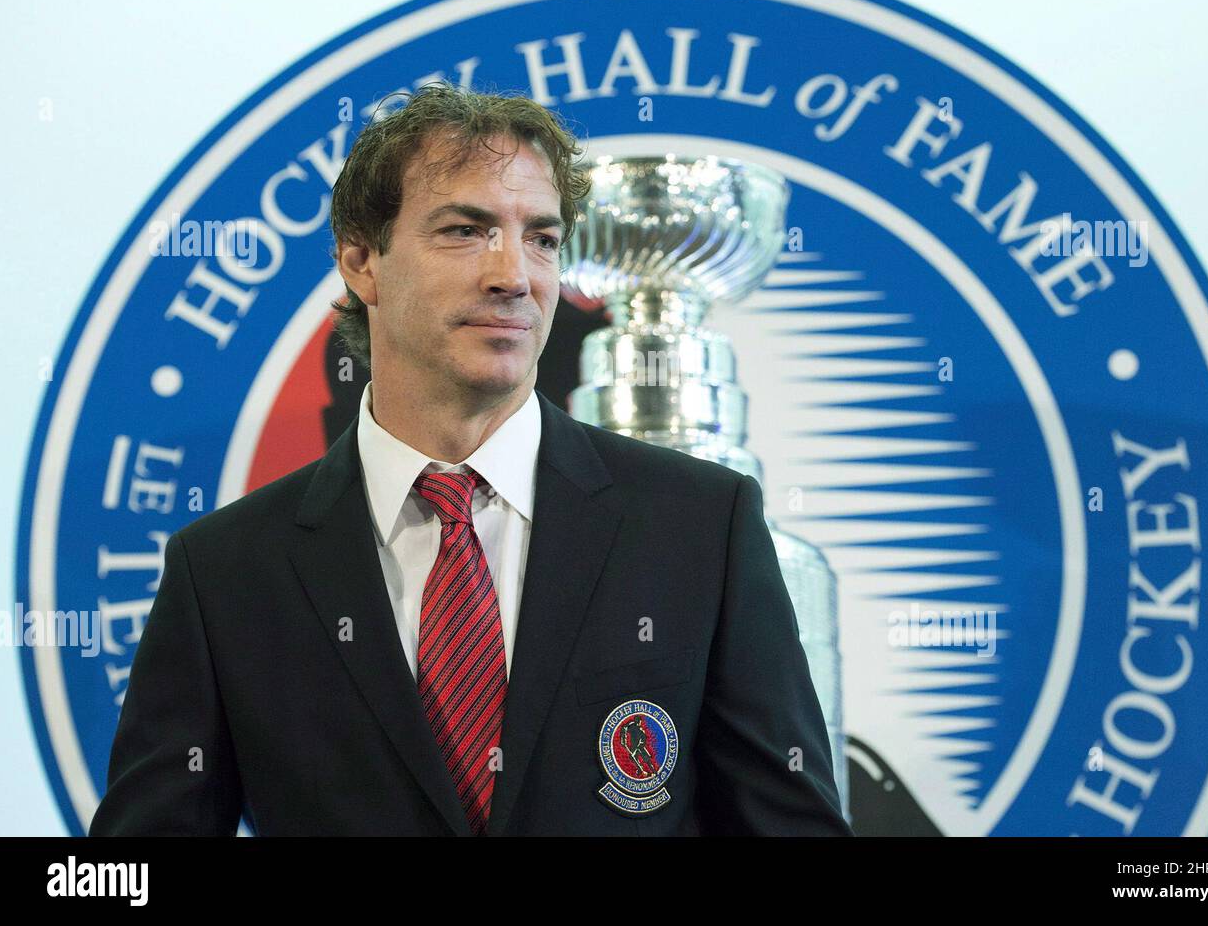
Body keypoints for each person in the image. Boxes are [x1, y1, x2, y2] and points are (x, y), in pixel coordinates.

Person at [89, 83, 852, 837]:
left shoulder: (699, 527)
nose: (513, 275)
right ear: (362, 259)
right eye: (465, 229)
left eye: (543, 239)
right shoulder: (226, 572)